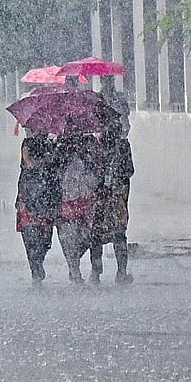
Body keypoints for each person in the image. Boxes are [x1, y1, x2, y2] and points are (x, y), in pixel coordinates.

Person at [89, 116, 135, 284]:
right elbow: (129, 170)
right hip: (116, 199)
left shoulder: (95, 147)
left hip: (102, 197)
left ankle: (96, 273)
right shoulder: (122, 146)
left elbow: (91, 172)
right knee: (119, 234)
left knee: (96, 234)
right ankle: (120, 272)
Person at [54, 132, 103, 284]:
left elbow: (98, 167)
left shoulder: (90, 143)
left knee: (85, 236)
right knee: (68, 237)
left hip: (84, 197)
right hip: (67, 198)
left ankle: (77, 266)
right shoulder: (61, 143)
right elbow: (55, 168)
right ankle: (75, 271)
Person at [15, 132, 60, 285]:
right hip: (29, 196)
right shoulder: (27, 144)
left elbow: (55, 164)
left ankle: (38, 261)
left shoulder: (50, 144)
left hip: (47, 197)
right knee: (30, 236)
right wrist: (42, 161)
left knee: (46, 239)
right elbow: (28, 163)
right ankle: (35, 268)